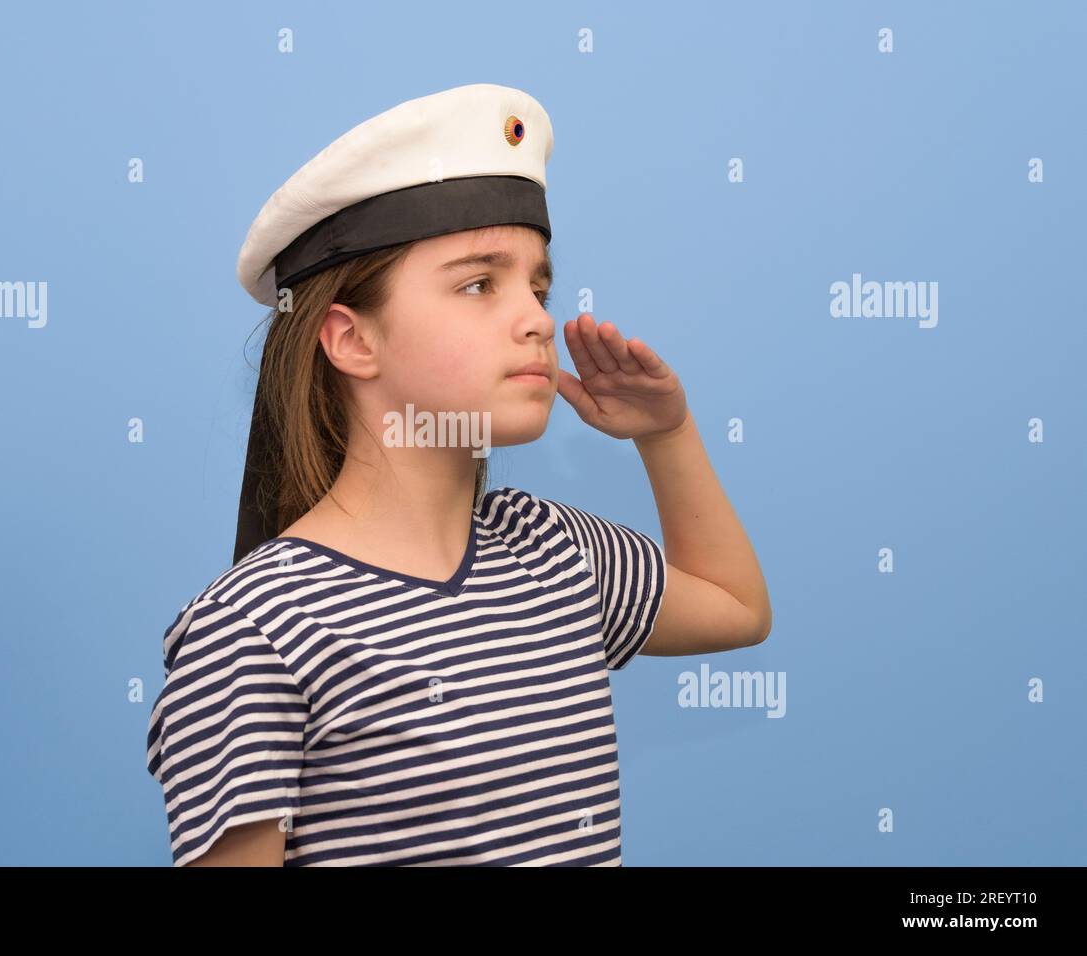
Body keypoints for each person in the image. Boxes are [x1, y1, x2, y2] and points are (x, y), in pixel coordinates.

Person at [146, 82, 771, 866]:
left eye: (538, 285)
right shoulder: (256, 629)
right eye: (480, 283)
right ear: (351, 341)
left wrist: (667, 434)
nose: (538, 317)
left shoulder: (553, 552)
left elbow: (739, 608)